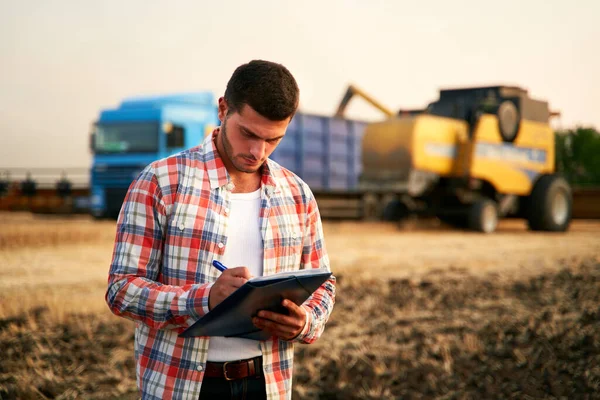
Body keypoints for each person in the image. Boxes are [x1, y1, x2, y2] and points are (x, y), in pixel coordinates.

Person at [105, 59, 336, 400]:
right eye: (248, 134)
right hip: (178, 386)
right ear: (223, 109)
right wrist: (205, 299)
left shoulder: (297, 193)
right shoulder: (160, 182)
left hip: (267, 384)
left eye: (273, 140)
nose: (258, 151)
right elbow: (121, 290)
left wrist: (304, 322)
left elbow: (324, 284)